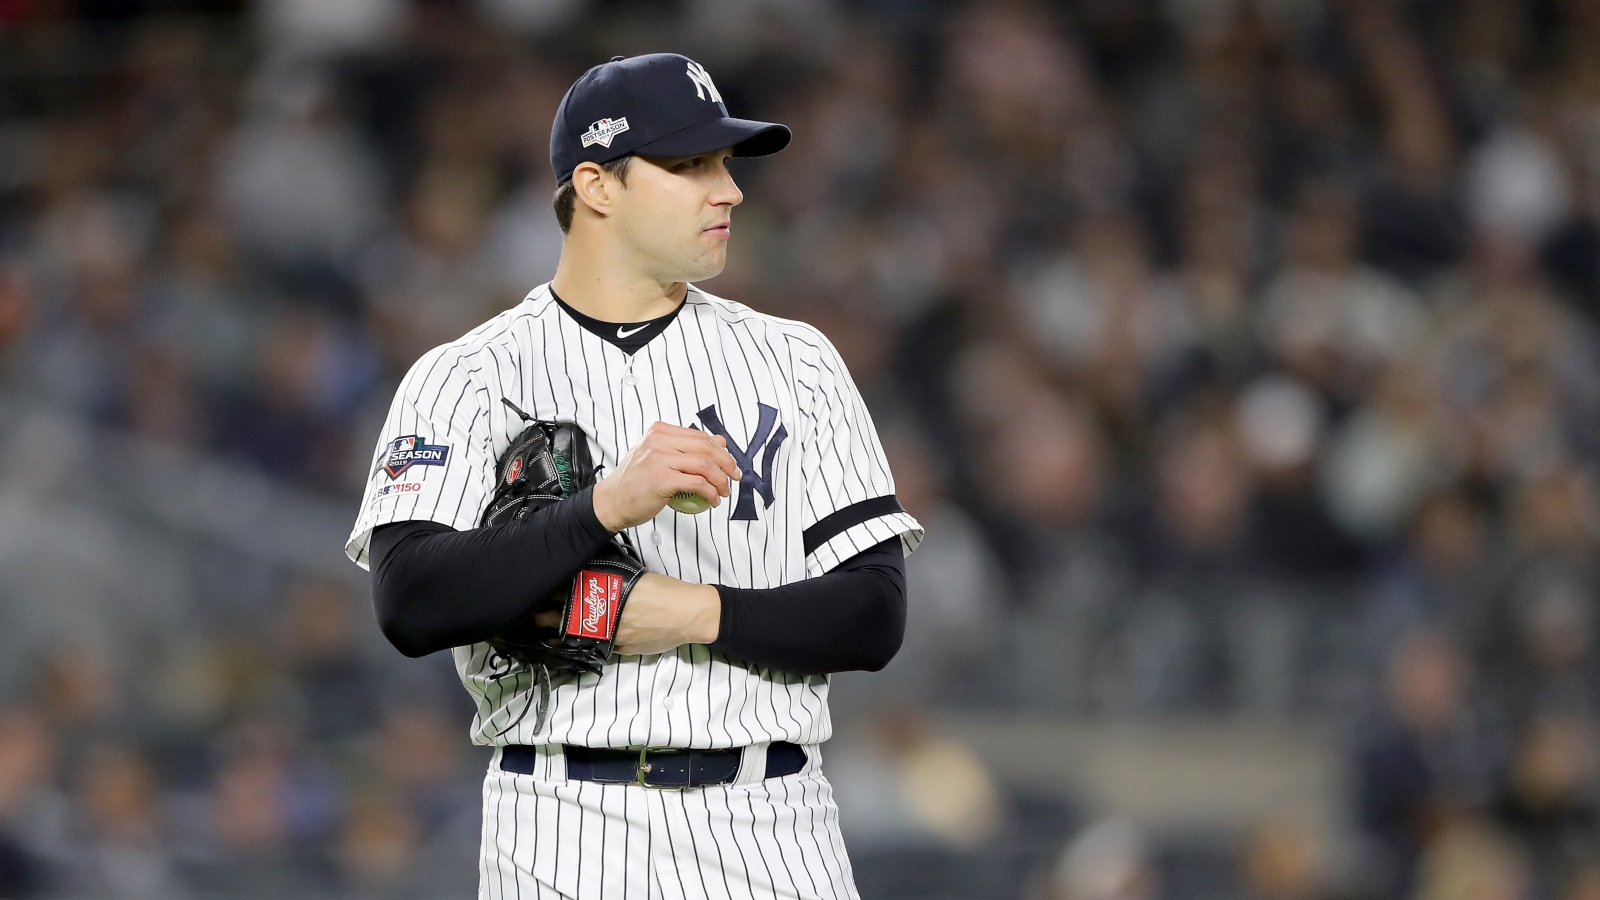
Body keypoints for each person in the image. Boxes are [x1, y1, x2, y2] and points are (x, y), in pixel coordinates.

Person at [344, 53, 924, 899]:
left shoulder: (796, 361)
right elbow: (410, 601)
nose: (729, 191)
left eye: (725, 164)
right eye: (691, 166)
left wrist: (688, 612)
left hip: (773, 820)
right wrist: (604, 506)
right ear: (596, 185)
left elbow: (874, 613)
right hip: (560, 822)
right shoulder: (467, 376)